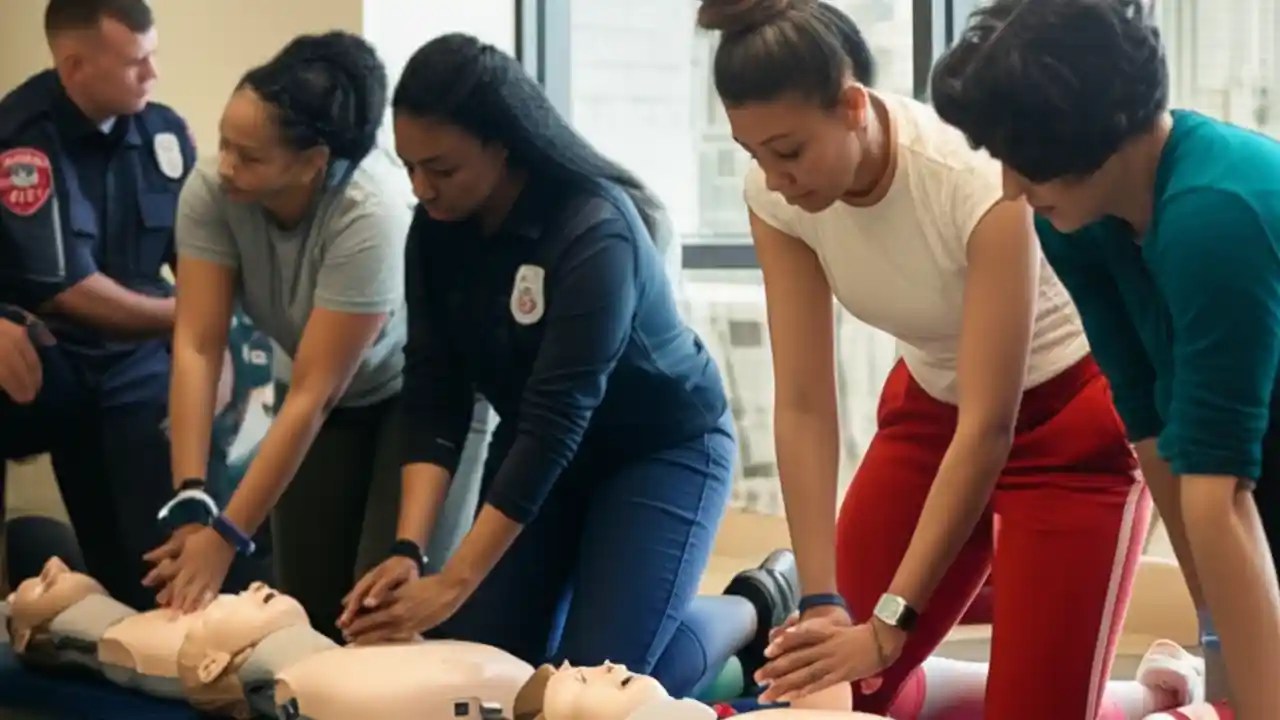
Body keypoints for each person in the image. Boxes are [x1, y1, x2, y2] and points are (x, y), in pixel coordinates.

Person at [693, 1, 1154, 717]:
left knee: (1011, 696)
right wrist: (823, 599)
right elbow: (806, 402)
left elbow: (989, 427)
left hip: (1070, 421)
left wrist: (888, 624)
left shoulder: (969, 176)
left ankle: (1167, 700)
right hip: (933, 412)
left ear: (851, 106)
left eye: (788, 151)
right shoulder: (776, 197)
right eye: (753, 154)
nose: (775, 177)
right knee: (834, 691)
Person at [337, 33, 736, 697]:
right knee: (483, 674)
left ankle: (748, 605)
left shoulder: (592, 228)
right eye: (408, 165)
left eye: (441, 168)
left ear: (503, 145)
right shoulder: (433, 232)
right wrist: (411, 552)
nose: (420, 187)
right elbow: (435, 392)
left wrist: (457, 581)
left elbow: (559, 418)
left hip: (661, 453)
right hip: (542, 457)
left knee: (593, 687)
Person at [930, 1, 1280, 718]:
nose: (1008, 190)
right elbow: (1151, 425)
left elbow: (1220, 501)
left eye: (1022, 162)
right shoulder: (1079, 221)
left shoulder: (1215, 213)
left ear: (1096, 136)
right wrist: (1219, 643)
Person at [140, 30, 489, 640]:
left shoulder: (369, 212)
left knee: (378, 615)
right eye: (224, 143)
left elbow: (314, 396)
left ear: (313, 162)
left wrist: (226, 538)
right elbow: (197, 344)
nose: (225, 166)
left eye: (249, 156)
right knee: (303, 613)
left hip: (421, 399)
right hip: (320, 395)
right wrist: (192, 495)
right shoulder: (212, 191)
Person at [0, 0, 207, 610]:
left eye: (153, 56)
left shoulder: (164, 132)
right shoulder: (21, 139)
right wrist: (193, 321)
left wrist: (209, 339)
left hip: (139, 364)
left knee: (155, 556)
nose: (153, 74)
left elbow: (199, 262)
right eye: (136, 62)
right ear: (75, 66)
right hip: (49, 361)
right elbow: (70, 289)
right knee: (107, 561)